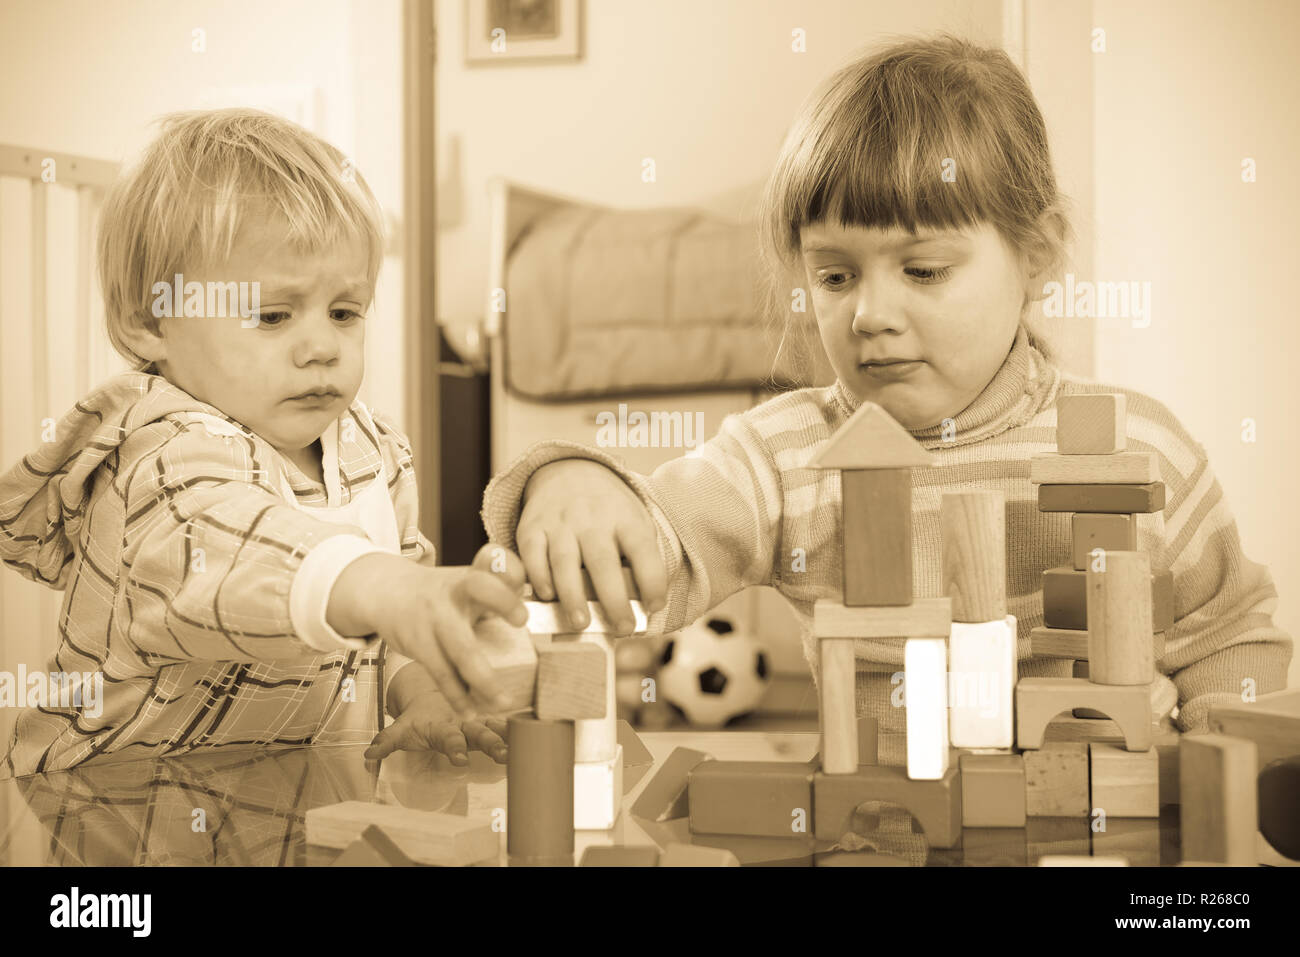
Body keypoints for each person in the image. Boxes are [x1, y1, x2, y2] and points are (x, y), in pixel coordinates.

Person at [482, 35, 1290, 755]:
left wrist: (1219, 786)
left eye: (923, 270)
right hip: (881, 826)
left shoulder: (1141, 446)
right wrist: (564, 480)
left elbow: (1224, 637)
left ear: (1037, 254)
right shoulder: (786, 453)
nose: (868, 314)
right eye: (834, 276)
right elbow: (658, 539)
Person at [0, 108, 523, 776]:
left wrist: (420, 688)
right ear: (148, 323)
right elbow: (228, 551)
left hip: (285, 799)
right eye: (272, 316)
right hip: (119, 802)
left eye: (344, 312)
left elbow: (397, 619)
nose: (321, 346)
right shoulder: (159, 452)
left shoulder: (373, 448)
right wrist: (385, 586)